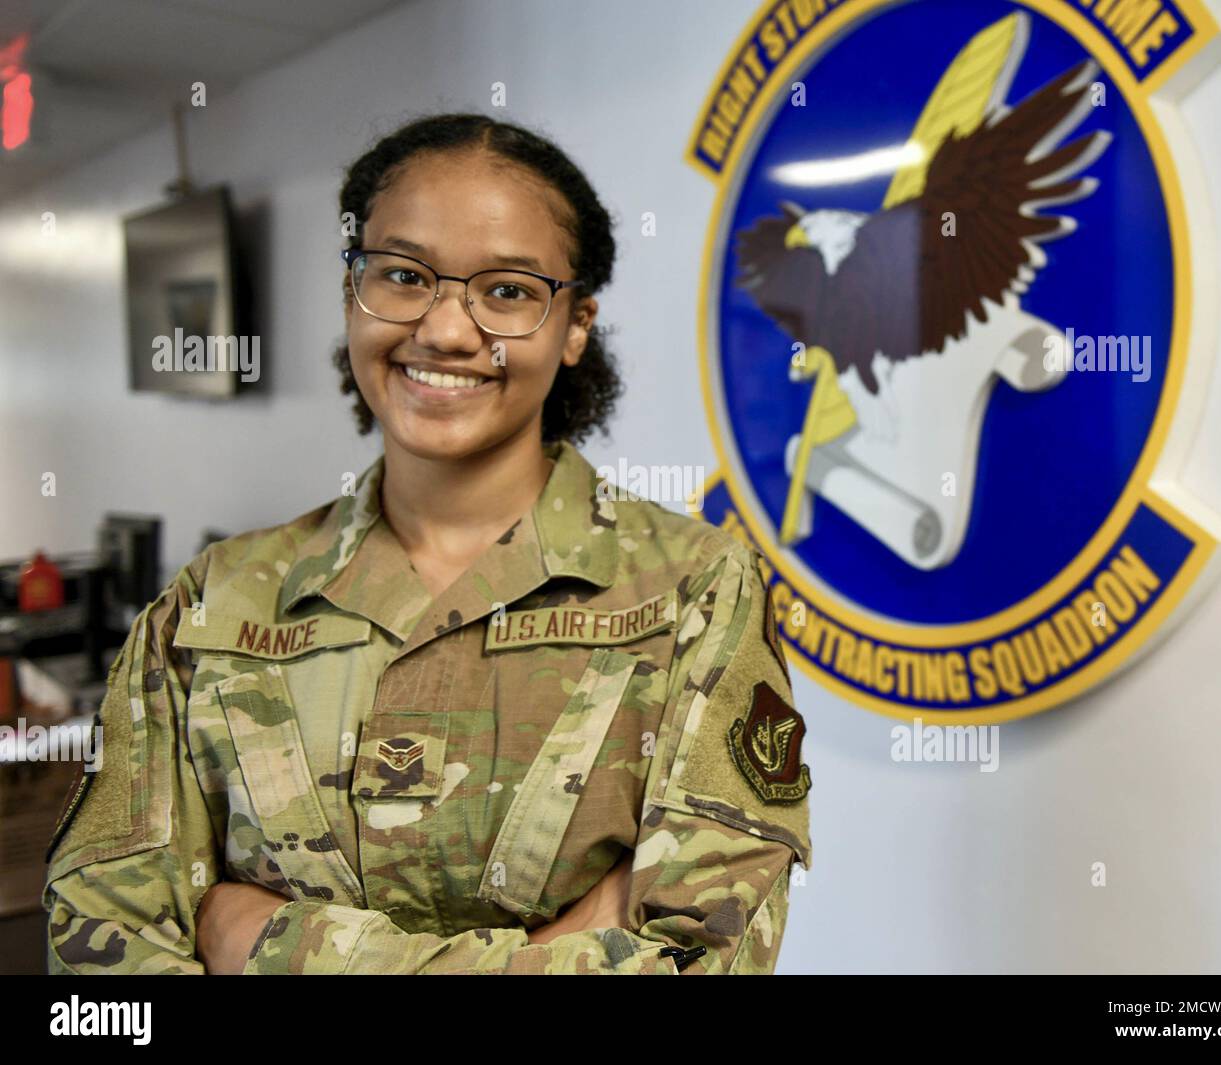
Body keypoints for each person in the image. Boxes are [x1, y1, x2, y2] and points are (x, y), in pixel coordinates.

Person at [43, 112, 812, 975]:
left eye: (509, 290)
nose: (446, 331)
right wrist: (548, 951)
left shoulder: (695, 593)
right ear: (352, 295)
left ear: (576, 326)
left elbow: (699, 962)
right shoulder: (211, 604)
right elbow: (99, 971)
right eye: (404, 275)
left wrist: (267, 939)